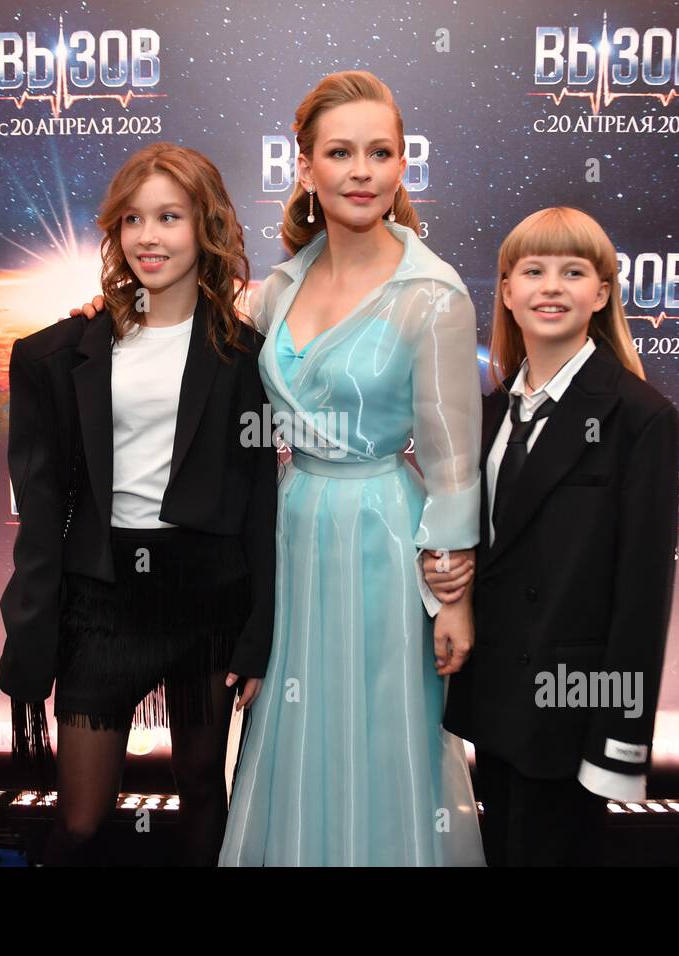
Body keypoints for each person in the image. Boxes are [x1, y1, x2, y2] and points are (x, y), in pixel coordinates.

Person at [221, 70, 484, 865]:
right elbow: (194, 320)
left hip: (384, 534)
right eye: (340, 152)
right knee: (298, 723)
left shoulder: (432, 294)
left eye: (381, 152)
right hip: (293, 530)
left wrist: (453, 599)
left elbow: (453, 464)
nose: (361, 171)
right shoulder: (280, 286)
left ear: (404, 166)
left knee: (385, 731)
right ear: (305, 168)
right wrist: (112, 303)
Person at [0, 142, 276, 866]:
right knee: (82, 820)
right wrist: (28, 628)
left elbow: (258, 503)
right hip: (105, 597)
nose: (148, 236)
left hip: (209, 595)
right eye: (132, 219)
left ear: (205, 227)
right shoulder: (66, 352)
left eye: (170, 217)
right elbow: (41, 508)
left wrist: (259, 632)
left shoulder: (247, 355)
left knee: (203, 793)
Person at [426, 206, 679, 865]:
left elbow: (643, 594)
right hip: (497, 703)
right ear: (506, 292)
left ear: (601, 293)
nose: (551, 286)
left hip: (574, 710)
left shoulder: (639, 417)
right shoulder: (488, 412)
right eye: (532, 270)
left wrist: (618, 741)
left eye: (573, 271)